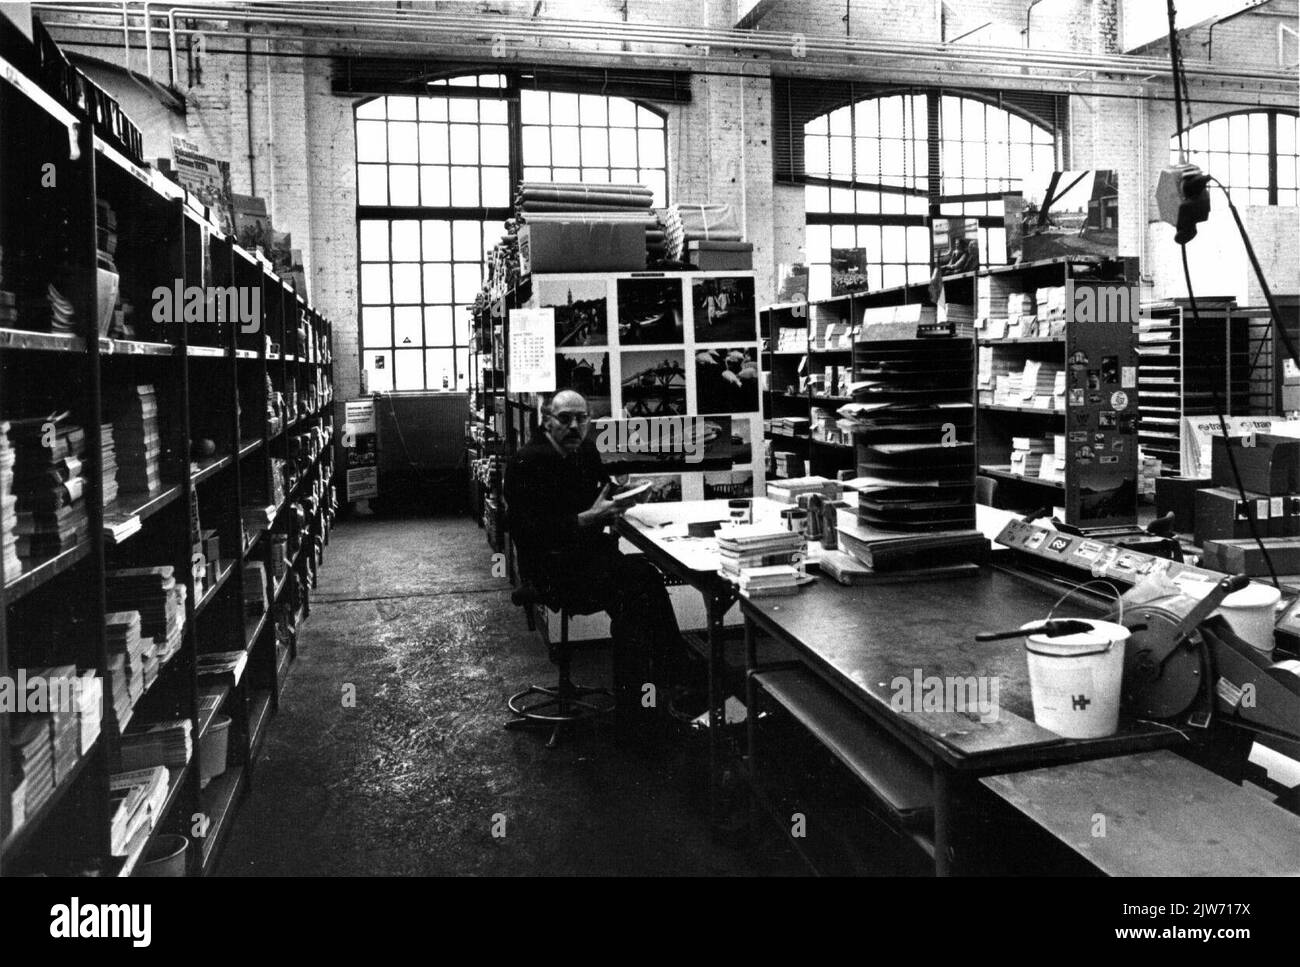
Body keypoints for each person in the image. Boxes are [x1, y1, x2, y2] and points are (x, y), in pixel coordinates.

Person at [504, 389, 686, 745]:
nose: (574, 426)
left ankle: (649, 701)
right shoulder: (525, 463)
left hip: (590, 558)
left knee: (640, 587)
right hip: (551, 569)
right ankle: (661, 692)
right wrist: (587, 519)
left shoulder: (584, 450)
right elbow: (528, 534)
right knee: (637, 590)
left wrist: (627, 492)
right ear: (546, 420)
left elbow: (601, 491)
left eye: (581, 418)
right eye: (565, 418)